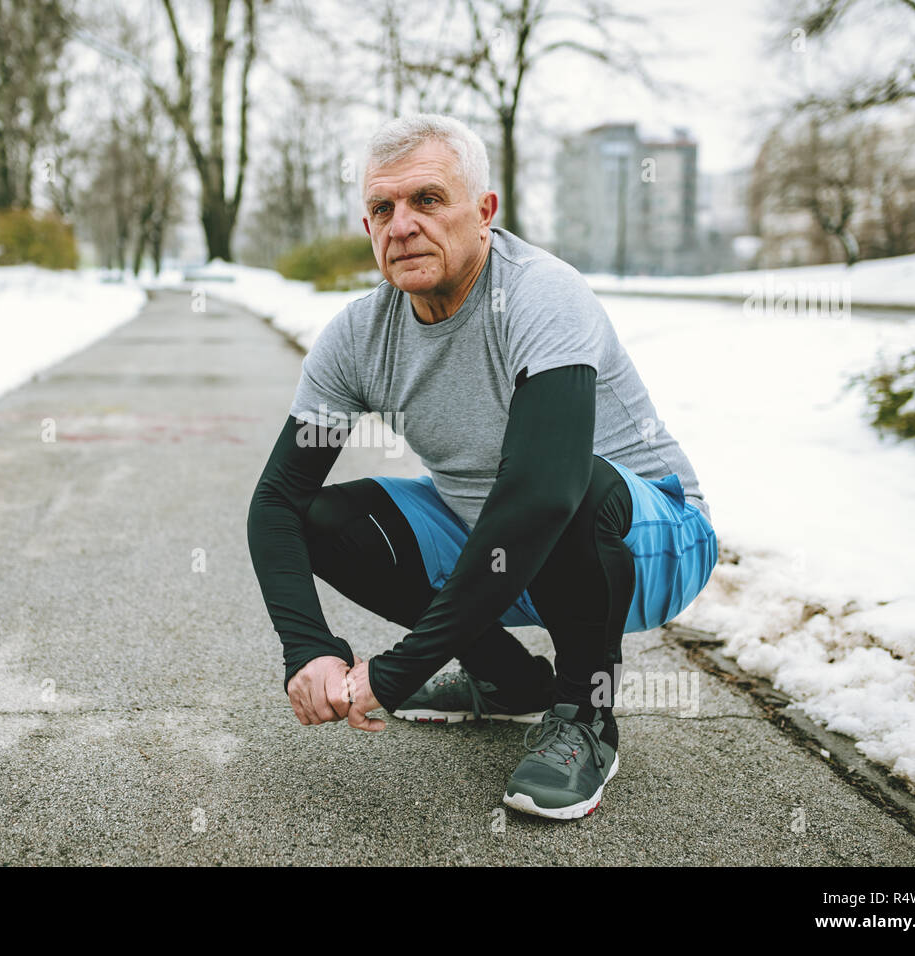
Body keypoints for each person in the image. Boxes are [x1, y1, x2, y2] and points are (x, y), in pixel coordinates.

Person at [246, 113, 718, 820]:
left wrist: (399, 670)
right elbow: (278, 503)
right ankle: (507, 683)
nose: (402, 225)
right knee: (325, 517)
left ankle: (585, 715)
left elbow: (543, 493)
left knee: (567, 484)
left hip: (650, 541)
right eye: (383, 208)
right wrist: (307, 647)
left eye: (427, 200)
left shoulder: (539, 294)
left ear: (484, 212)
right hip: (503, 549)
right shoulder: (356, 338)